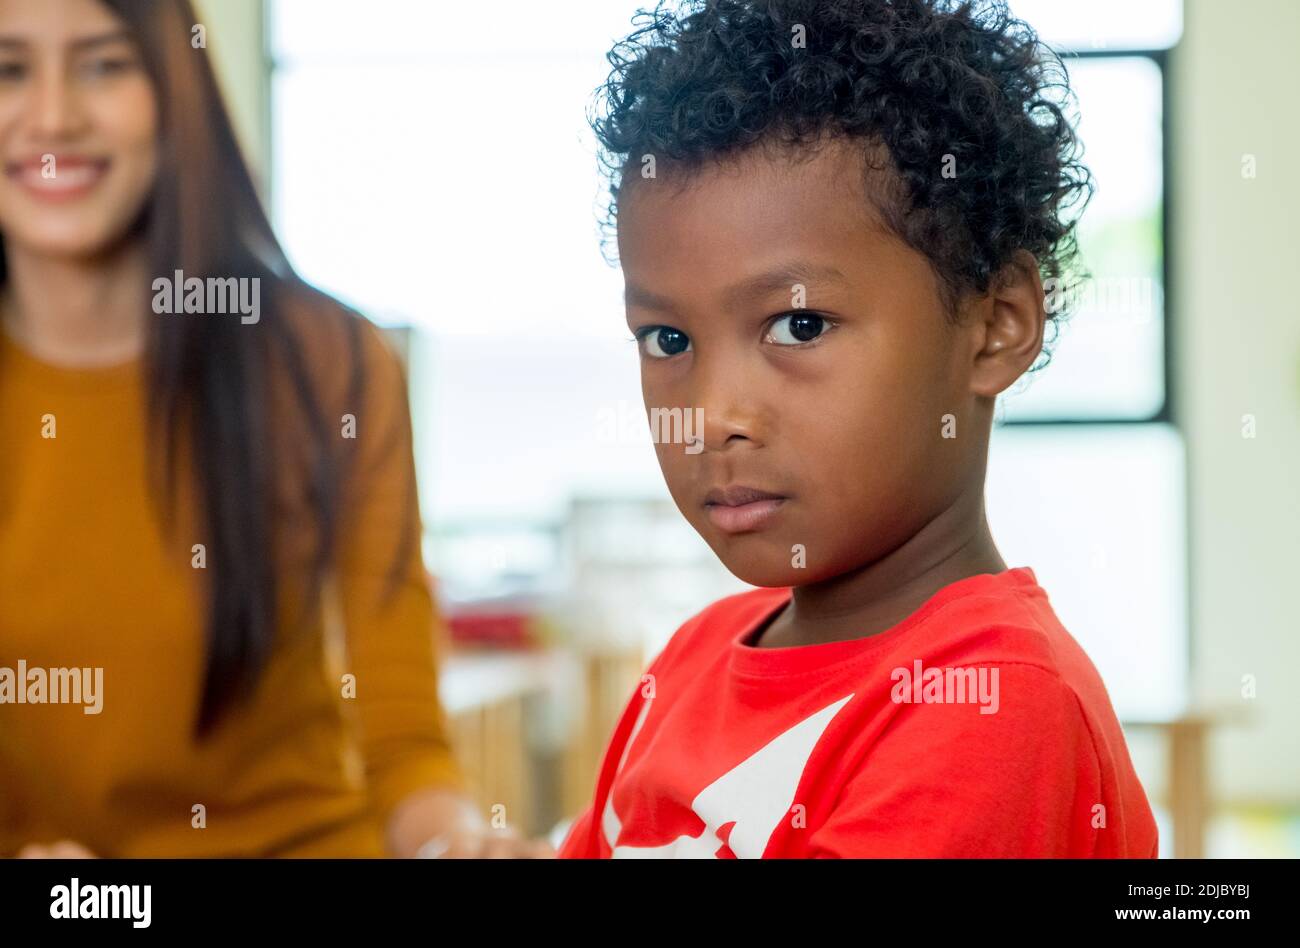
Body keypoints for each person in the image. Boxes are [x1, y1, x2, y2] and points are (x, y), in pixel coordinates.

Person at [558, 0, 1159, 858]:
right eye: (669, 340)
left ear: (996, 324)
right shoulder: (696, 657)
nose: (716, 416)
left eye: (798, 327)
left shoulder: (991, 698)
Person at [0, 0, 547, 858]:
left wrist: (459, 843)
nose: (53, 115)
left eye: (105, 64)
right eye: (9, 69)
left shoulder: (326, 360)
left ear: (174, 90)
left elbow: (402, 743)